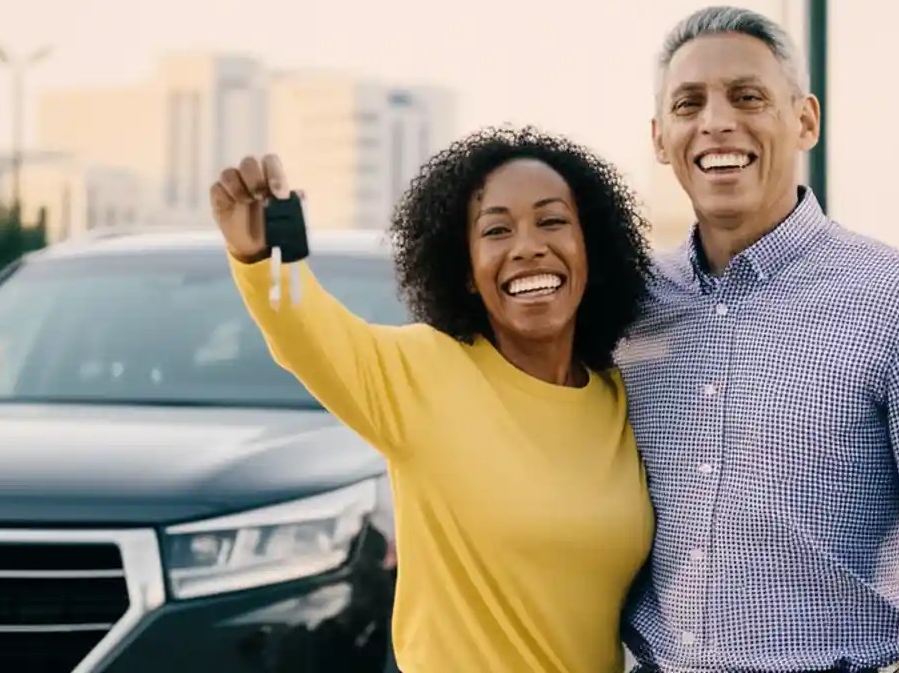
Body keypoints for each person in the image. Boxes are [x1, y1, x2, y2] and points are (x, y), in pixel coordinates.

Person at [616, 6, 899, 673]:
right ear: (661, 137)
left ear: (805, 120)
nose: (716, 121)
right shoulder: (626, 308)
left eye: (748, 97)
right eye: (690, 103)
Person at [209, 126, 656, 673]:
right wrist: (260, 256)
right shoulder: (421, 372)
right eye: (496, 230)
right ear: (466, 272)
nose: (527, 246)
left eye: (553, 221)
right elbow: (302, 328)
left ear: (592, 249)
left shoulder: (621, 396)